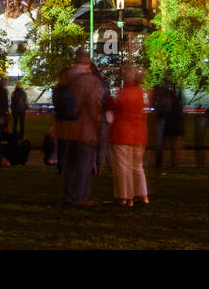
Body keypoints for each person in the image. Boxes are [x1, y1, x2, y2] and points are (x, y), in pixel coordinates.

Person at [55, 50, 104, 207]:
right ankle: (80, 197)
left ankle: (68, 195)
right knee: (83, 164)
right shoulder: (90, 80)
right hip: (84, 128)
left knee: (70, 165)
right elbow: (94, 105)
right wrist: (98, 123)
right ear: (88, 63)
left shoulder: (65, 76)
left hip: (65, 127)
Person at [107, 66, 149, 206]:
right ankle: (142, 194)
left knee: (122, 167)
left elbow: (112, 105)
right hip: (139, 134)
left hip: (121, 133)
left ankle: (125, 196)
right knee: (138, 166)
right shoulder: (143, 93)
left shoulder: (122, 94)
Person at [150, 79, 185, 172]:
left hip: (167, 119)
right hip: (172, 119)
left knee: (164, 142)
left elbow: (159, 107)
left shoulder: (164, 96)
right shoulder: (172, 94)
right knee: (173, 142)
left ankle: (162, 162)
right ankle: (173, 162)